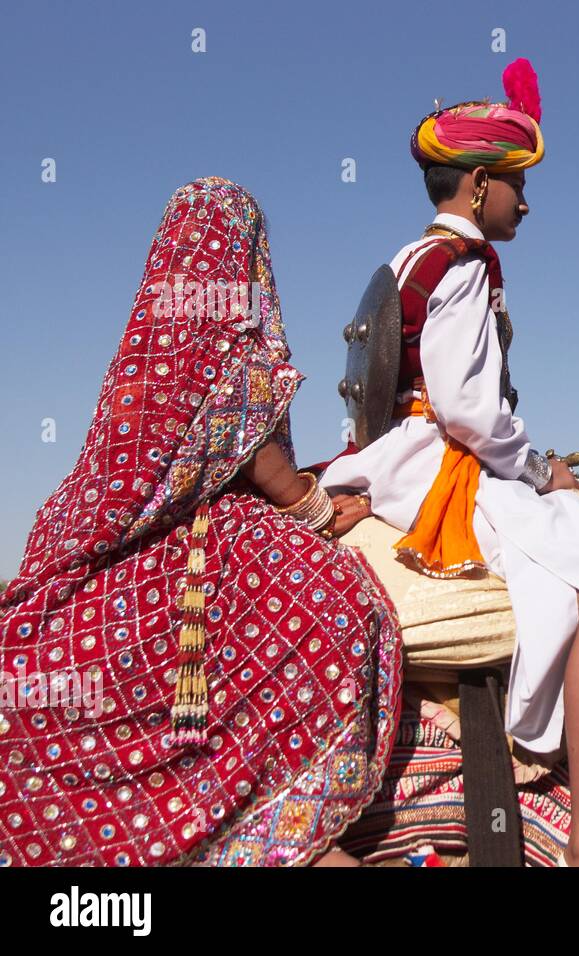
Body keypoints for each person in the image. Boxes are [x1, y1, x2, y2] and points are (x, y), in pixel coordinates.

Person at [319, 61, 579, 866]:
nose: (527, 201)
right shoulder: (466, 266)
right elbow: (468, 409)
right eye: (517, 185)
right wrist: (544, 470)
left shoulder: (410, 257)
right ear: (479, 185)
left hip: (399, 454)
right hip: (438, 466)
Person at [0, 178, 402, 867]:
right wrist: (311, 508)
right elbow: (256, 452)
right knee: (335, 603)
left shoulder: (138, 366)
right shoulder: (231, 354)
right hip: (213, 552)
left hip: (109, 576)